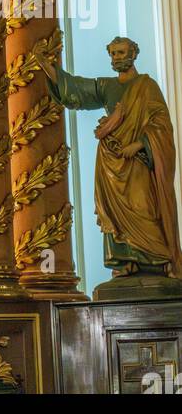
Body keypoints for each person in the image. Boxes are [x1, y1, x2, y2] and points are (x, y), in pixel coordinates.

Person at [37, 37, 182, 285]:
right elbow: (76, 89)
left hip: (138, 162)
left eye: (122, 52)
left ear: (134, 54)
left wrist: (139, 144)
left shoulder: (147, 86)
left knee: (143, 207)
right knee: (114, 214)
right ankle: (126, 262)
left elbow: (161, 124)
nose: (117, 57)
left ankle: (154, 261)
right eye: (113, 53)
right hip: (112, 161)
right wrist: (45, 65)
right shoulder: (107, 86)